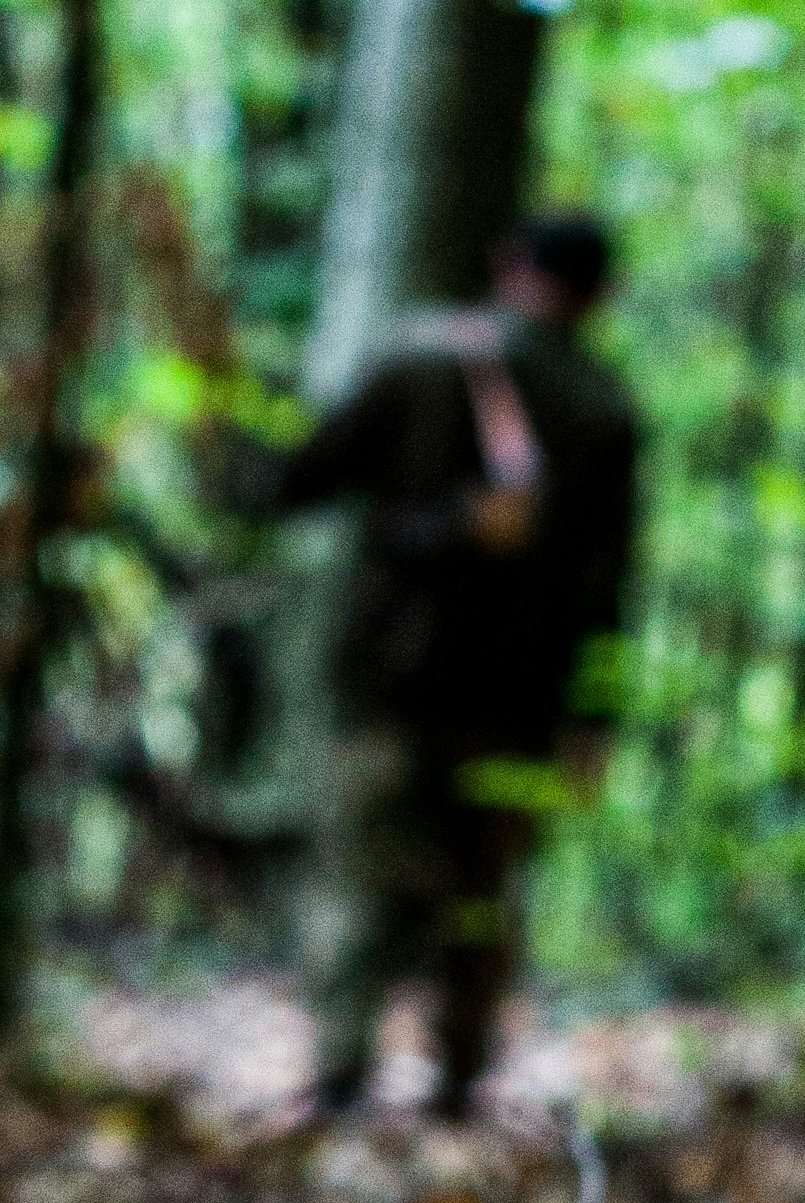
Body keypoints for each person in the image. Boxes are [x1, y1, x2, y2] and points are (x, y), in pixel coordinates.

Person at [208, 212, 641, 1116]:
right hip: (524, 698)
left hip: (392, 682)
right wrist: (593, 718)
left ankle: (341, 1072)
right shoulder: (606, 407)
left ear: (505, 262)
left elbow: (290, 483)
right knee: (481, 890)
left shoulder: (418, 361)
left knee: (364, 872)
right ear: (601, 295)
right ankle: (457, 1078)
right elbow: (608, 589)